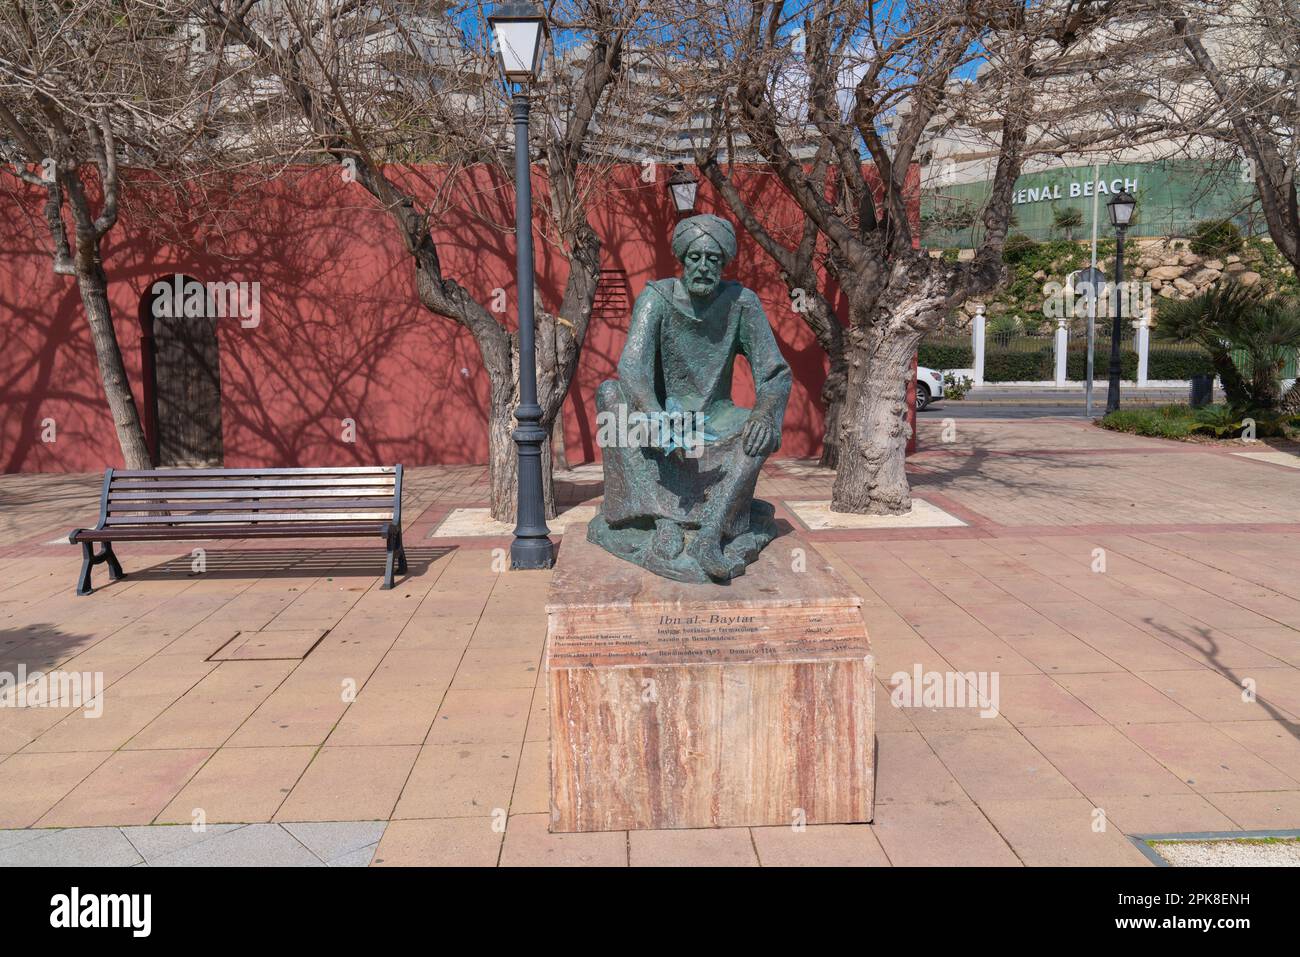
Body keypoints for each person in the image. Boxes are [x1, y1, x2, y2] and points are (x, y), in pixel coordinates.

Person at [589, 214, 792, 582]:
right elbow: (632, 368)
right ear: (682, 259)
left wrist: (765, 414)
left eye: (713, 259)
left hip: (715, 416)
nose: (703, 266)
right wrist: (655, 415)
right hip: (660, 413)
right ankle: (662, 519)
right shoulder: (656, 298)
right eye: (695, 257)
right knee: (609, 396)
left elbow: (774, 374)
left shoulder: (741, 303)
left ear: (723, 263)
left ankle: (710, 533)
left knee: (759, 428)